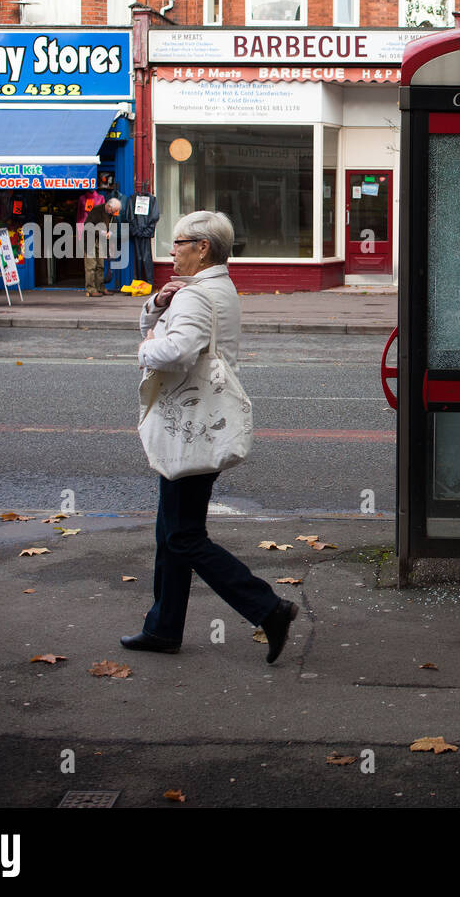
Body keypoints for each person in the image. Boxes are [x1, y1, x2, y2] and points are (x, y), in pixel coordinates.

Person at [123, 210, 299, 662]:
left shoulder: (197, 296)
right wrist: (158, 305)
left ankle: (267, 608)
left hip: (189, 425)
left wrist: (144, 347)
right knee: (171, 530)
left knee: (182, 536)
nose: (171, 249)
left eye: (179, 241)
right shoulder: (216, 287)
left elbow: (174, 352)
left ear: (202, 247)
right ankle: (163, 627)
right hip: (201, 420)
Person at [82, 198, 121, 296]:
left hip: (101, 241)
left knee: (101, 266)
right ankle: (91, 289)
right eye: (113, 211)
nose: (114, 213)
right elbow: (87, 225)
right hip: (91, 240)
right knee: (91, 266)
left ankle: (100, 288)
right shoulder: (96, 210)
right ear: (108, 206)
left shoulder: (111, 214)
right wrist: (101, 232)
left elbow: (114, 225)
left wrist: (110, 232)